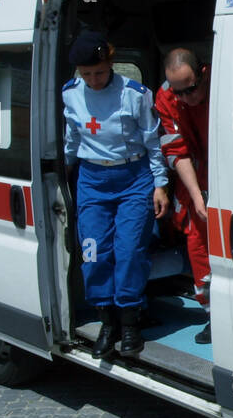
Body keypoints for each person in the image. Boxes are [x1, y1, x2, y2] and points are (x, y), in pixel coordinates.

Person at [62, 31, 170, 359]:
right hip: (92, 179)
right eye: (86, 74)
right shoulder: (71, 94)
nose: (93, 80)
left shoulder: (135, 94)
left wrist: (160, 184)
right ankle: (105, 321)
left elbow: (153, 142)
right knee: (94, 252)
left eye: (99, 72)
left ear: (111, 64)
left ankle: (129, 323)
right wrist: (60, 175)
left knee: (129, 251)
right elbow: (72, 140)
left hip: (133, 178)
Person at [154, 47, 212, 344]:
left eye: (191, 90)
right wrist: (197, 196)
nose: (186, 98)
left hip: (228, 172)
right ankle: (212, 314)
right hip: (195, 181)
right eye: (180, 93)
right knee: (198, 245)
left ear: (203, 73)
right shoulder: (166, 97)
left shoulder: (222, 82)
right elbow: (177, 151)